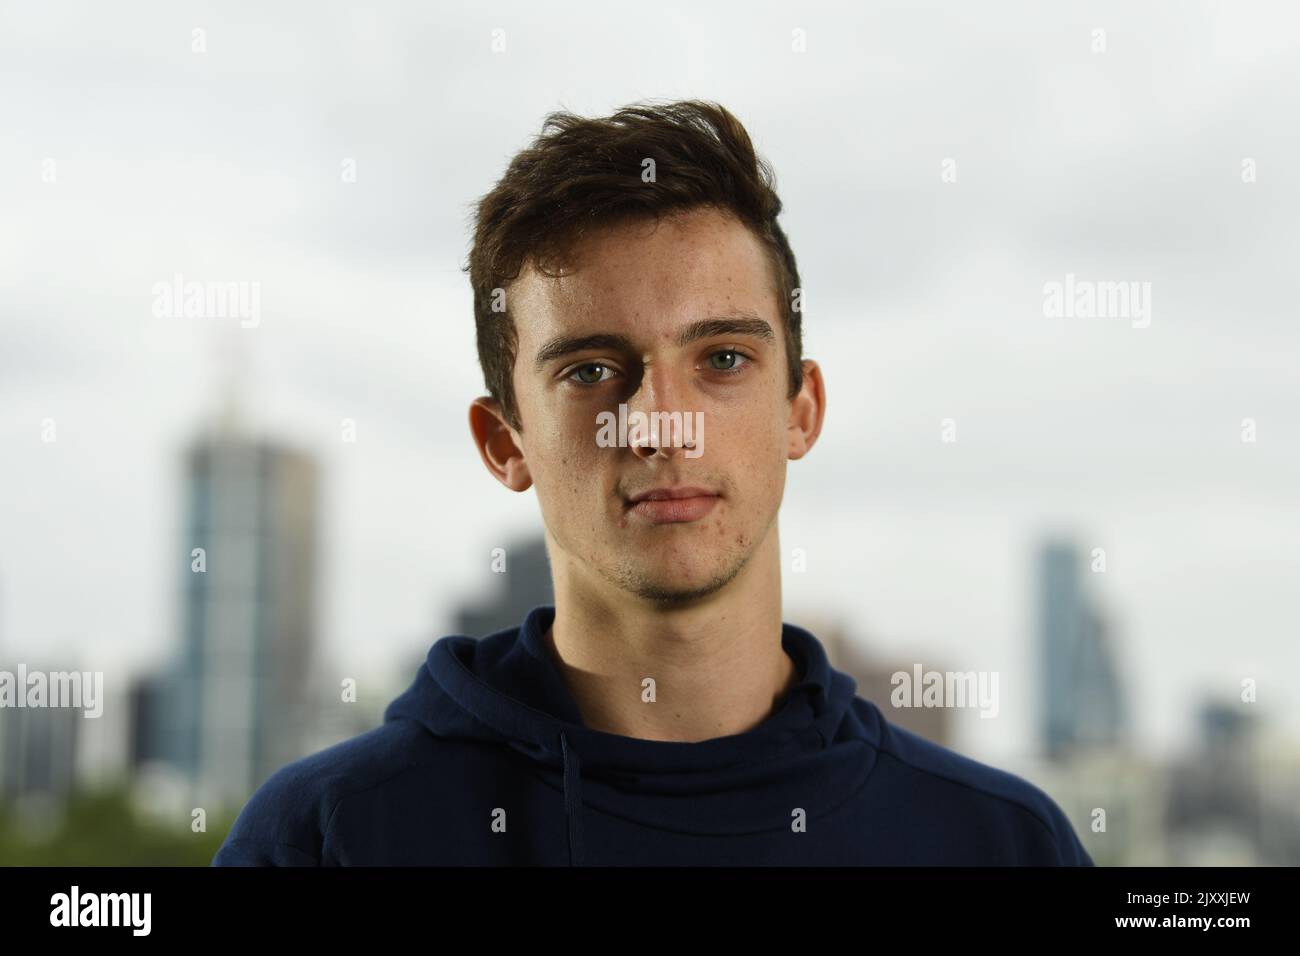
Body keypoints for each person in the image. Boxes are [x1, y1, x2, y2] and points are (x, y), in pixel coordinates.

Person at [213, 99, 1093, 866]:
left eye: (722, 358)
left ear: (802, 409)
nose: (661, 421)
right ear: (504, 442)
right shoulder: (330, 840)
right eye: (592, 371)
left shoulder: (998, 842)